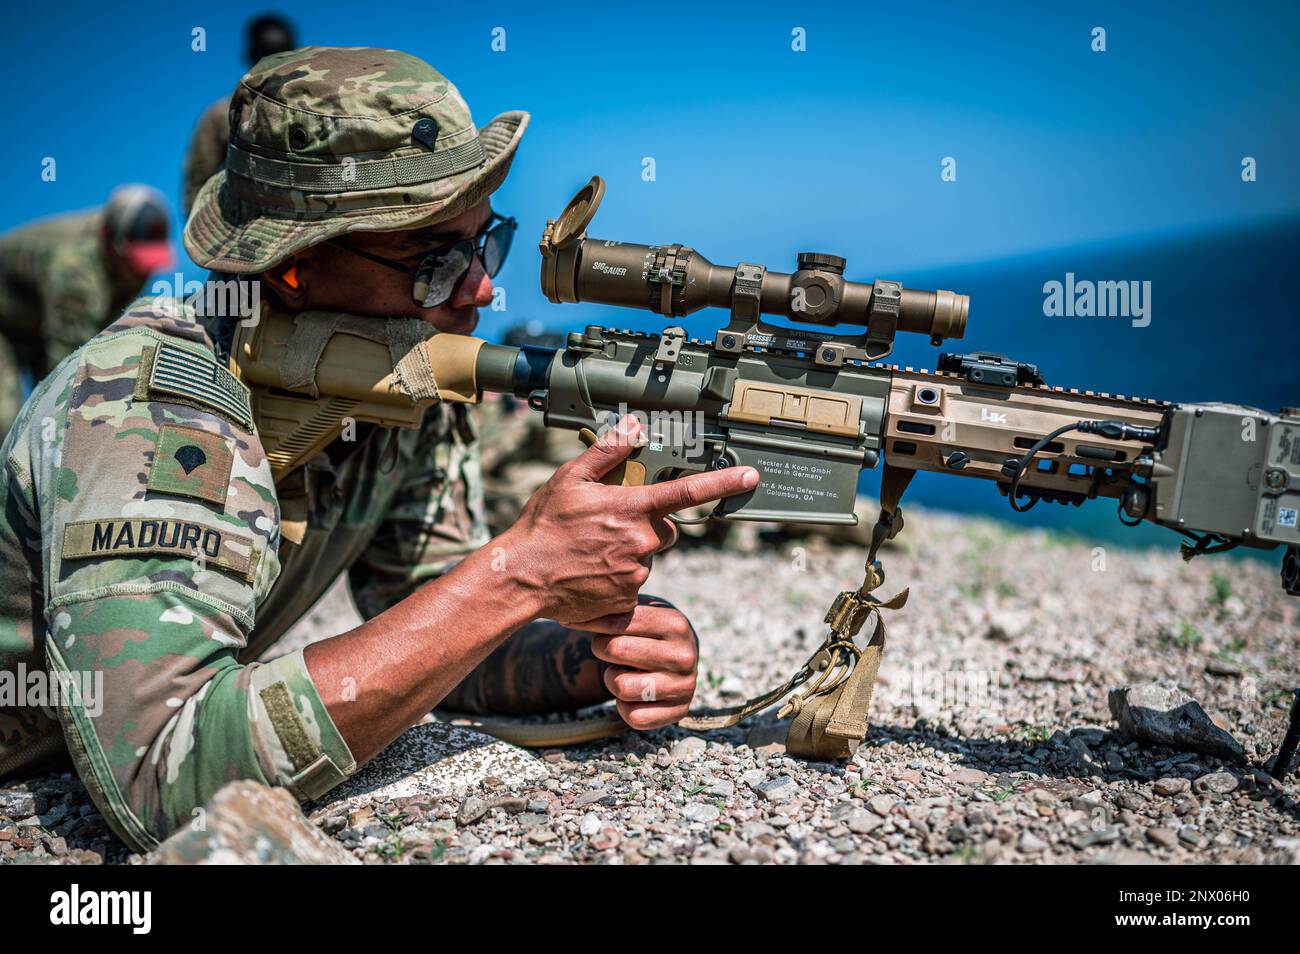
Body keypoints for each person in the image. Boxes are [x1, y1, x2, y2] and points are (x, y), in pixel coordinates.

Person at [0, 46, 758, 851]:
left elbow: (430, 608)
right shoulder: (144, 401)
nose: (480, 290)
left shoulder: (401, 374)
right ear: (293, 266)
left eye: (484, 244)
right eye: (434, 261)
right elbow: (164, 774)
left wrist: (598, 653)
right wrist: (520, 571)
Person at [0, 185, 174, 438]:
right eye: (135, 261)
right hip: (7, 324)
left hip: (43, 320)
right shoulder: (75, 272)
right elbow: (67, 371)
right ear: (109, 239)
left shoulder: (126, 253)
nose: (144, 272)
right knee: (9, 423)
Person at [180, 14, 297, 217]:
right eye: (267, 55)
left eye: (281, 55)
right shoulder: (220, 115)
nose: (274, 65)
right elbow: (197, 184)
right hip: (244, 227)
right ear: (251, 56)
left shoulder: (313, 107)